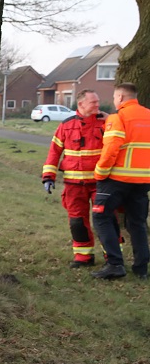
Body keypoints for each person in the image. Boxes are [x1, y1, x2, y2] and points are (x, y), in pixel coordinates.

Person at [40, 89, 106, 268]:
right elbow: (54, 152)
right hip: (74, 185)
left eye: (98, 101)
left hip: (101, 184)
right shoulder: (66, 125)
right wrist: (48, 177)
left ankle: (113, 258)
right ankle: (84, 257)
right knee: (77, 221)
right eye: (94, 102)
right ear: (81, 104)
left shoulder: (106, 123)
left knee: (106, 220)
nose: (98, 105)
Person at [91, 82, 150, 280]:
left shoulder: (118, 118)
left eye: (115, 98)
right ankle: (141, 268)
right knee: (137, 223)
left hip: (116, 179)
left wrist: (100, 172)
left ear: (121, 98)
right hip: (143, 181)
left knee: (101, 217)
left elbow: (111, 149)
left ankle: (115, 264)